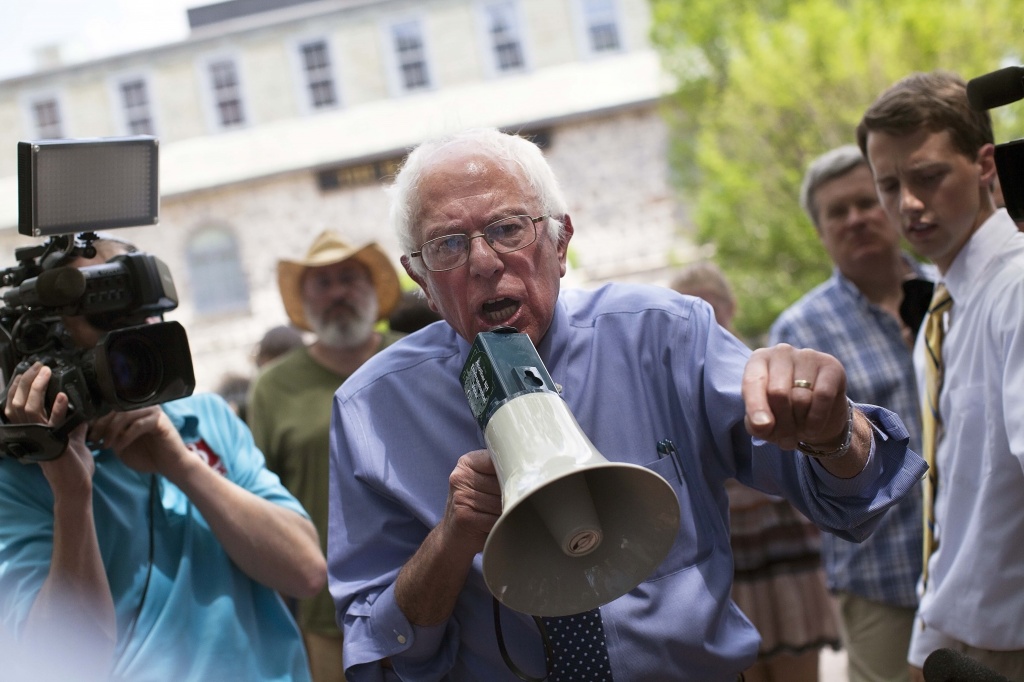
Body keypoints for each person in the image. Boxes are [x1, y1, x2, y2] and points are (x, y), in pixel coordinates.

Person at [326, 127, 926, 681]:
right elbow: (380, 648)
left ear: (560, 243)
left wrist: (833, 432)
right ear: (422, 282)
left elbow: (844, 492)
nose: (484, 261)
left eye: (509, 228)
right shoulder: (372, 411)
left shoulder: (664, 335)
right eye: (448, 245)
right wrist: (452, 539)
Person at [0, 237, 326, 682]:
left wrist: (183, 465)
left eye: (145, 314)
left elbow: (306, 572)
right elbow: (59, 663)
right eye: (105, 316)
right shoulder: (17, 474)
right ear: (44, 339)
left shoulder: (206, 417)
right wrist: (71, 497)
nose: (137, 333)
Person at [857, 70, 1024, 681]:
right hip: (956, 634)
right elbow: (954, 493)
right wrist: (928, 636)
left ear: (985, 165)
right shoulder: (941, 306)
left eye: (927, 177)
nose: (908, 203)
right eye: (889, 185)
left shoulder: (1016, 290)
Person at [769, 145, 933, 682]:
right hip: (883, 581)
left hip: (991, 562)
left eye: (867, 202)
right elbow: (800, 471)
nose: (856, 218)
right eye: (837, 212)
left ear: (894, 205)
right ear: (821, 232)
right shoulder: (801, 334)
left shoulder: (949, 291)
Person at [672, 262, 840, 682]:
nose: (706, 318)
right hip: (728, 552)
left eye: (712, 305)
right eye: (694, 308)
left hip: (782, 544)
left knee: (797, 660)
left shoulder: (764, 371)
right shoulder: (678, 386)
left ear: (731, 307)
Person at [247, 231, 403, 682]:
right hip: (328, 613)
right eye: (322, 283)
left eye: (349, 278)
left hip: (438, 592)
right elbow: (262, 497)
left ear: (373, 287)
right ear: (305, 300)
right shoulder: (273, 387)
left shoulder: (416, 356)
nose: (337, 292)